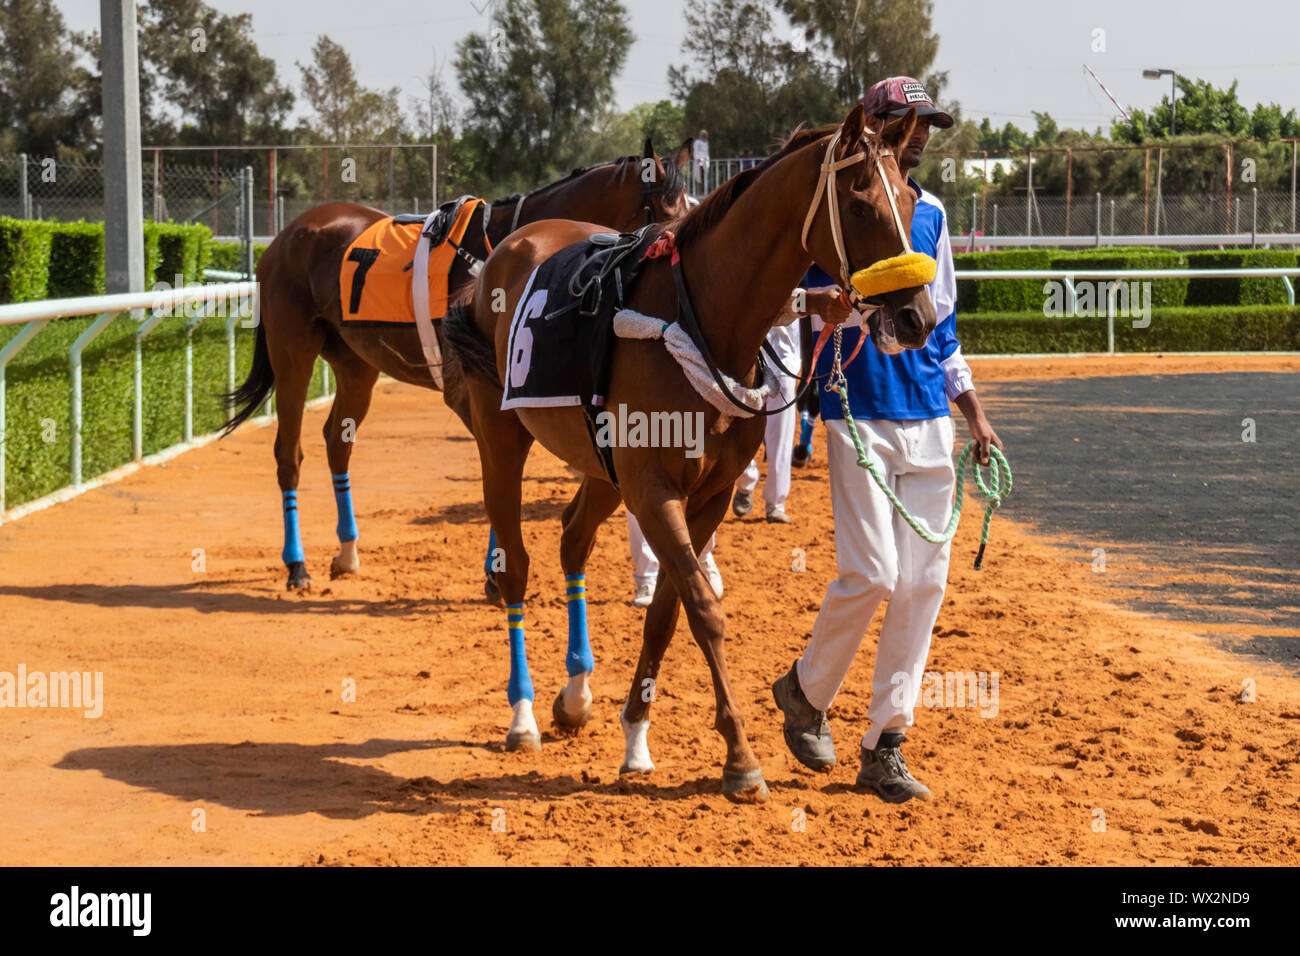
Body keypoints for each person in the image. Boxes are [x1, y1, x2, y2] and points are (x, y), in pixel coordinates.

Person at [771, 77, 1004, 804]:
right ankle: (806, 692)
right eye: (906, 122)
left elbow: (948, 329)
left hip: (930, 413)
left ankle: (885, 744)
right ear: (869, 128)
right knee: (872, 574)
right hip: (857, 406)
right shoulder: (836, 211)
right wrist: (822, 303)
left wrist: (974, 413)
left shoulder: (932, 214)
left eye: (926, 123)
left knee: (924, 586)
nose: (920, 135)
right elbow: (779, 302)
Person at [732, 319, 800, 523]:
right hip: (742, 354)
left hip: (783, 355)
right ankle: (746, 478)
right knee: (734, 425)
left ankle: (776, 503)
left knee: (781, 433)